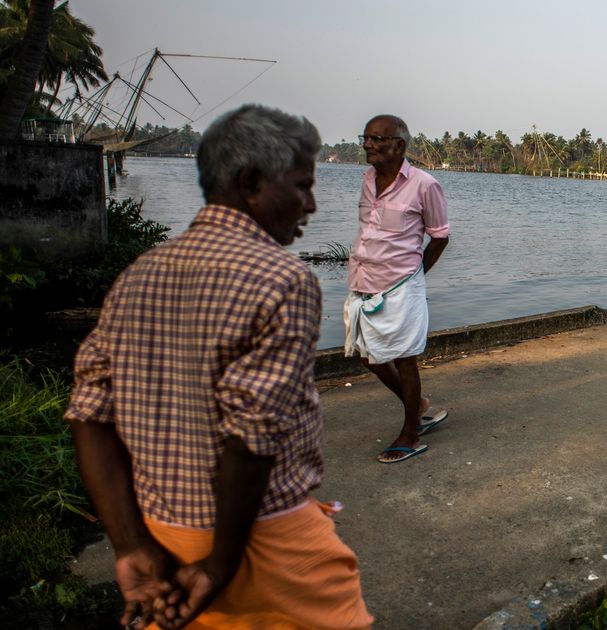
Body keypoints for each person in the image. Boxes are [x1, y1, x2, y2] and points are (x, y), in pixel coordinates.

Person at [66, 104, 372, 629]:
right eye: (302, 185)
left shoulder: (141, 273)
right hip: (261, 539)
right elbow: (250, 439)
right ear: (252, 182)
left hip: (161, 534)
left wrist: (130, 545)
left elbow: (91, 413)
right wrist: (220, 566)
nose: (311, 204)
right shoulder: (282, 280)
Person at [345, 114, 451, 464]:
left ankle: (411, 432)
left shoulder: (424, 185)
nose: (368, 145)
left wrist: (415, 274)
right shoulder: (367, 178)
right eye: (366, 137)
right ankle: (416, 406)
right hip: (363, 281)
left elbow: (439, 236)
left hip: (401, 284)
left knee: (406, 360)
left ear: (399, 145)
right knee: (367, 354)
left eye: (377, 139)